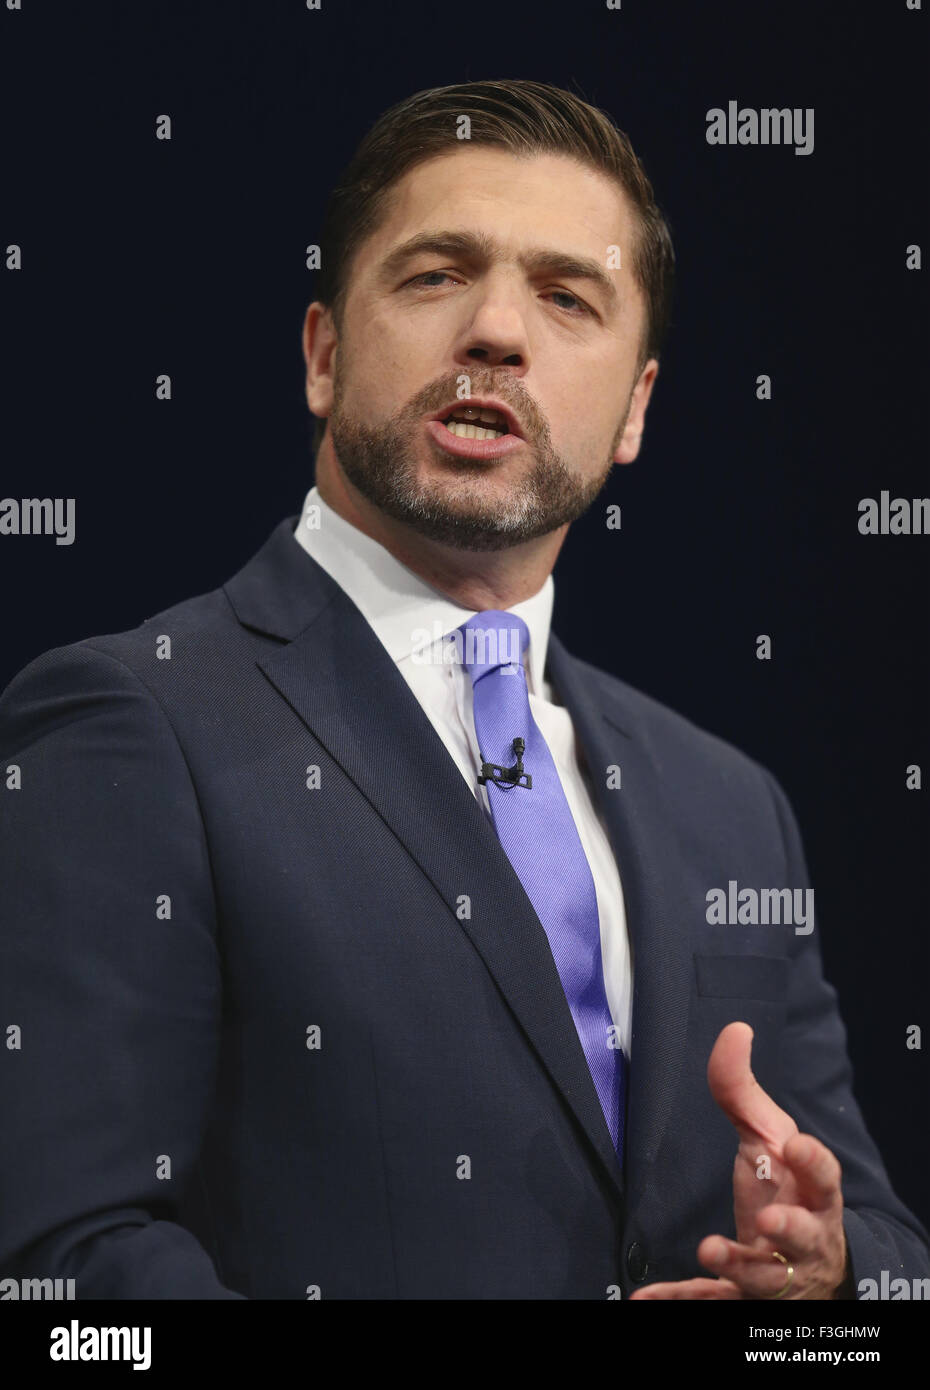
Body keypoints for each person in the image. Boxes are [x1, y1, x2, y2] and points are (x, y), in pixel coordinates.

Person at [1, 79, 926, 1301]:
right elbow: (69, 1270)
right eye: (436, 275)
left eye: (566, 296)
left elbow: (885, 1243)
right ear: (324, 355)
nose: (497, 332)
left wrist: (830, 1278)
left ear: (636, 409)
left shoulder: (728, 805)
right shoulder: (132, 721)